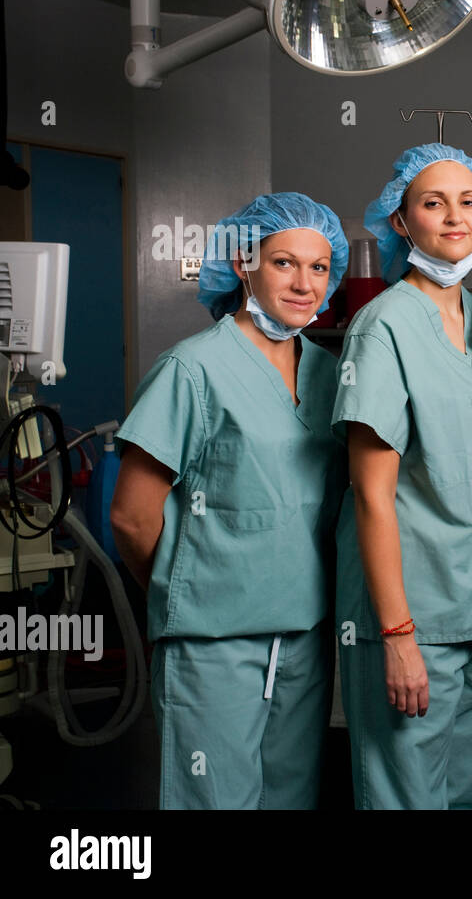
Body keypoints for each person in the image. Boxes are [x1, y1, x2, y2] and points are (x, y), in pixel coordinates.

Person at [110, 192, 349, 809]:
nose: (304, 283)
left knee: (289, 798)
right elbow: (132, 518)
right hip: (212, 644)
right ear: (247, 264)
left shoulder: (330, 375)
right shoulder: (193, 370)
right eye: (284, 263)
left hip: (304, 636)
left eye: (319, 267)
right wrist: (185, 592)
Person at [333, 143, 472, 809]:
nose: (455, 218)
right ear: (400, 222)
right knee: (404, 794)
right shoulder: (380, 327)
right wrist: (397, 637)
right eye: (433, 203)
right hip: (412, 613)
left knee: (465, 794)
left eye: (468, 202)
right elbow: (371, 497)